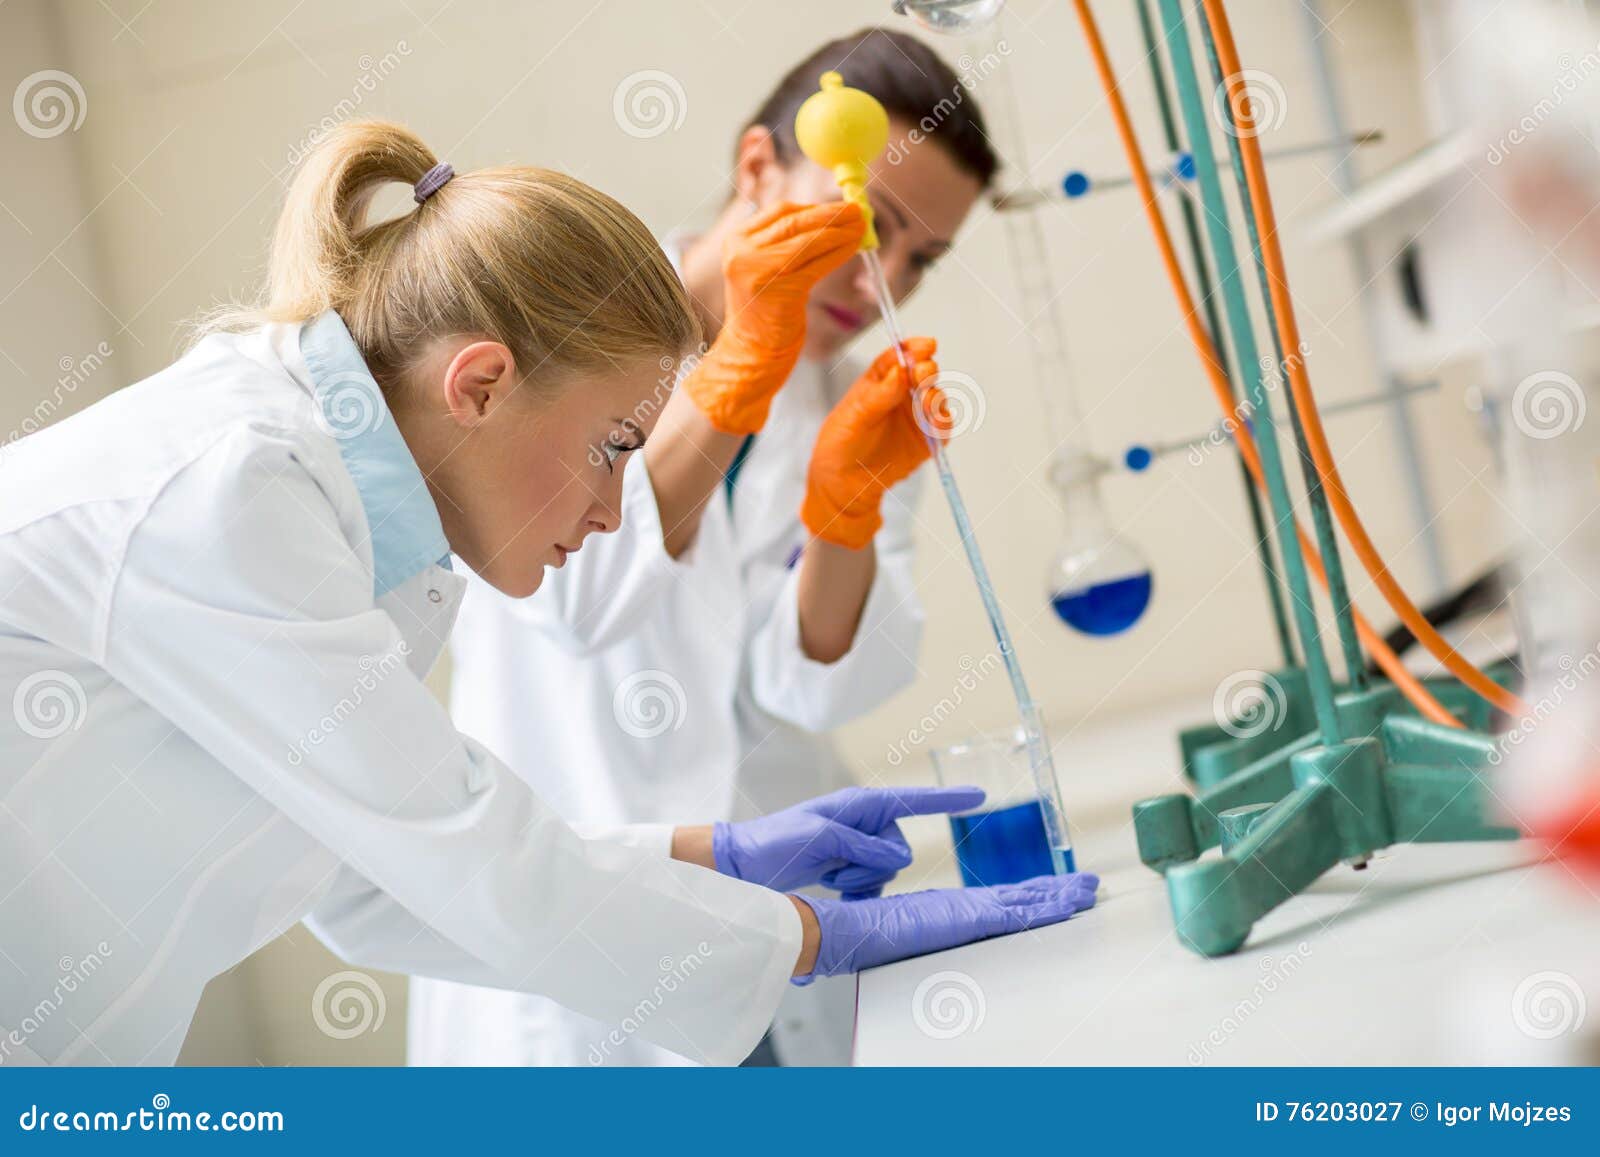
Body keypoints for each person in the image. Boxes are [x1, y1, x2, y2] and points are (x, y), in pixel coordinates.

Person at [0, 119, 1097, 1068]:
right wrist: (817, 938)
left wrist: (713, 854)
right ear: (479, 384)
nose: (617, 510)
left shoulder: (355, 523)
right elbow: (462, 853)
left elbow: (366, 878)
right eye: (614, 448)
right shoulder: (232, 492)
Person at [408, 29, 1009, 1067]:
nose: (882, 277)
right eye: (872, 222)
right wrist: (732, 385)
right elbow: (570, 602)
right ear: (757, 166)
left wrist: (846, 514)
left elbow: (810, 685)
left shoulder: (854, 404)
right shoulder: (565, 322)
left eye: (922, 258)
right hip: (571, 932)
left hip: (771, 913)